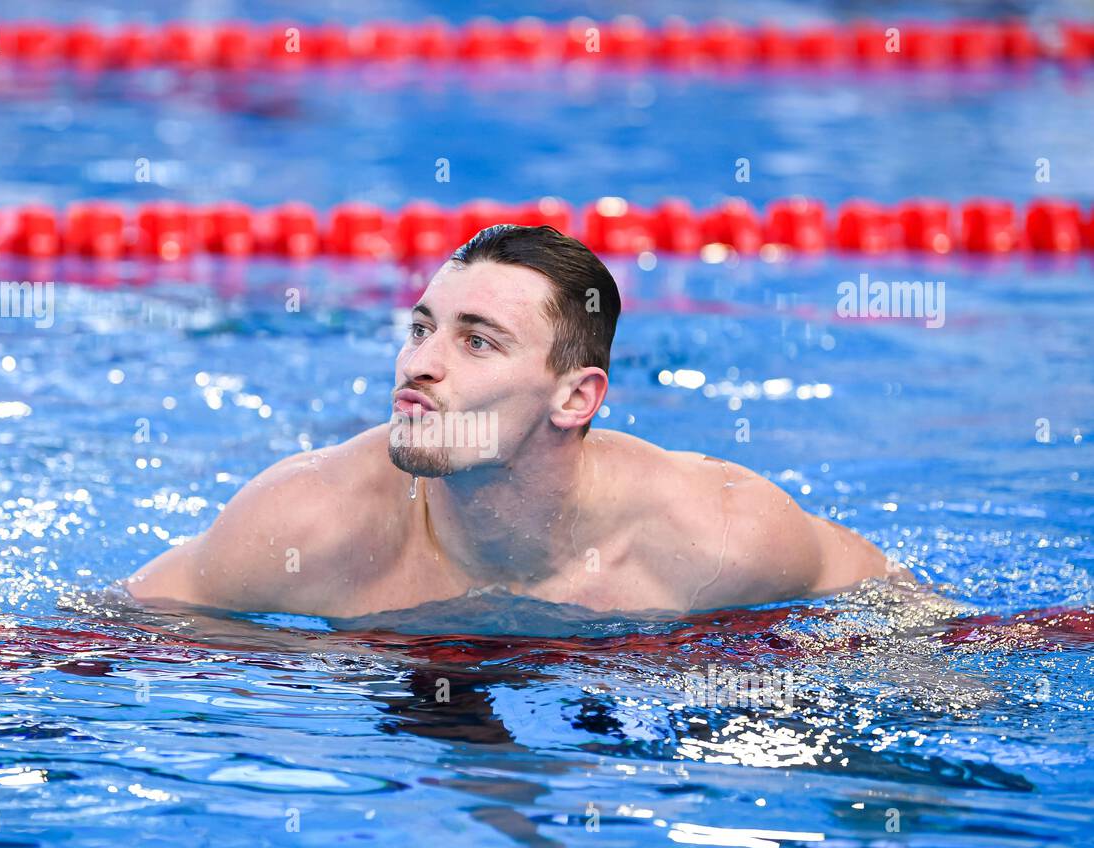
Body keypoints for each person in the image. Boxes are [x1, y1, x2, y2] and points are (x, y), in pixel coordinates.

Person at [126, 224, 911, 618]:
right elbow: (104, 639)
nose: (419, 363)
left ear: (575, 398)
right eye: (421, 329)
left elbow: (906, 614)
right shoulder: (308, 526)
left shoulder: (712, 535)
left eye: (476, 341)